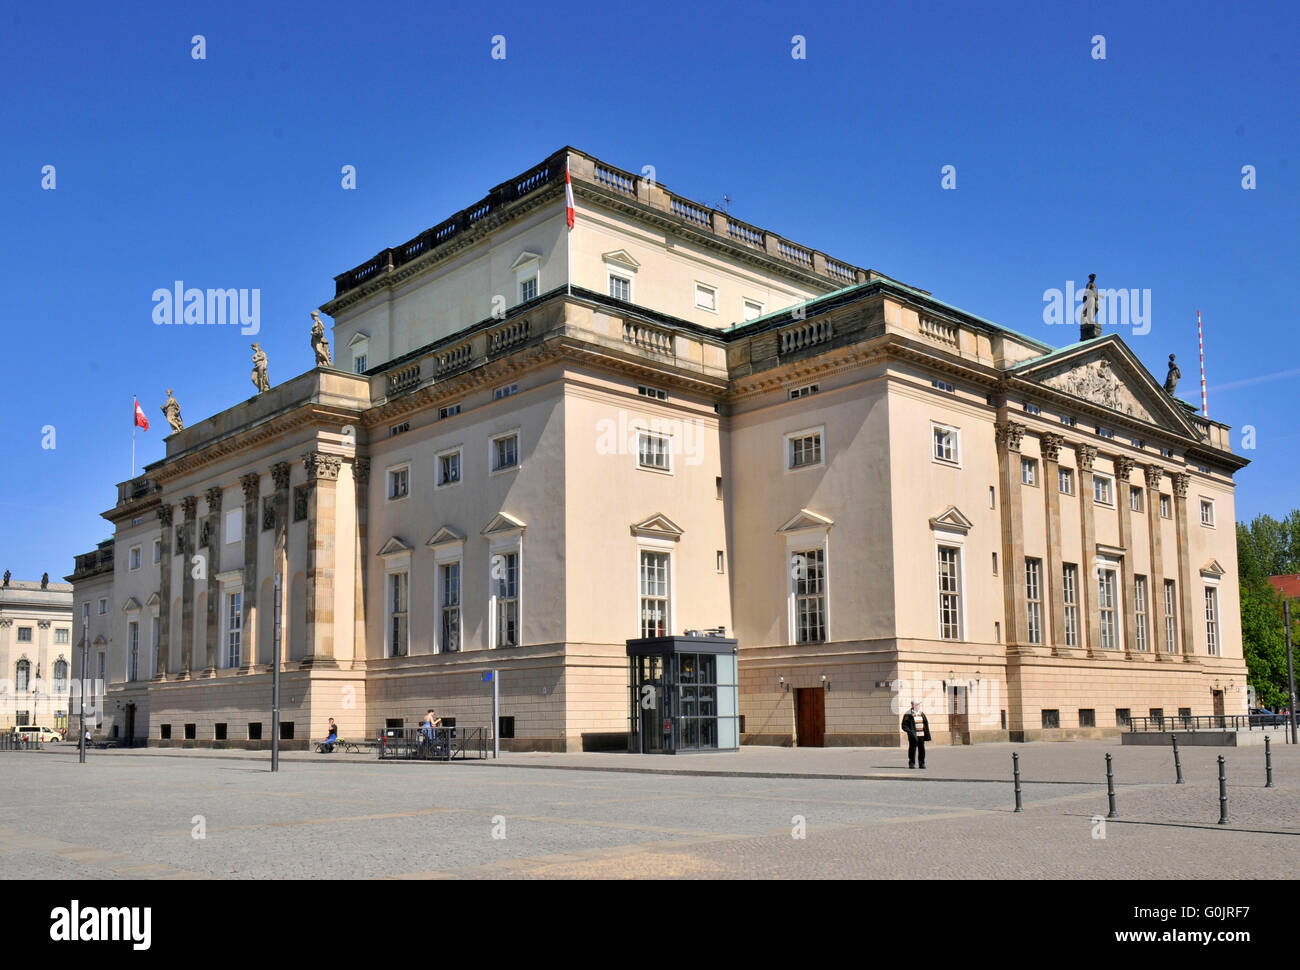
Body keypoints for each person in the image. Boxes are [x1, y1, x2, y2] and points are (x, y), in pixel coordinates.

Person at [902, 701, 931, 769]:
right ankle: (911, 763)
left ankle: (922, 763)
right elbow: (904, 725)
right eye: (916, 705)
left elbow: (925, 724)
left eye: (918, 705)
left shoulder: (921, 713)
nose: (918, 706)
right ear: (912, 705)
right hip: (913, 735)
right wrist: (910, 732)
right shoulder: (908, 714)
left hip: (921, 735)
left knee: (922, 750)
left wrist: (926, 733)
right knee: (912, 749)